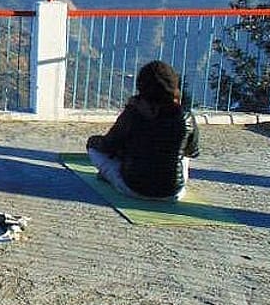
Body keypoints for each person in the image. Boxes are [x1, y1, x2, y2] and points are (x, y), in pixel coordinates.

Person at [86, 60, 200, 201]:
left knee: (94, 149)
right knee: (184, 153)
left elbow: (108, 146)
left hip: (133, 188)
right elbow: (192, 152)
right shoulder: (185, 116)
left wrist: (92, 142)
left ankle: (108, 176)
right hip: (173, 192)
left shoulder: (134, 112)